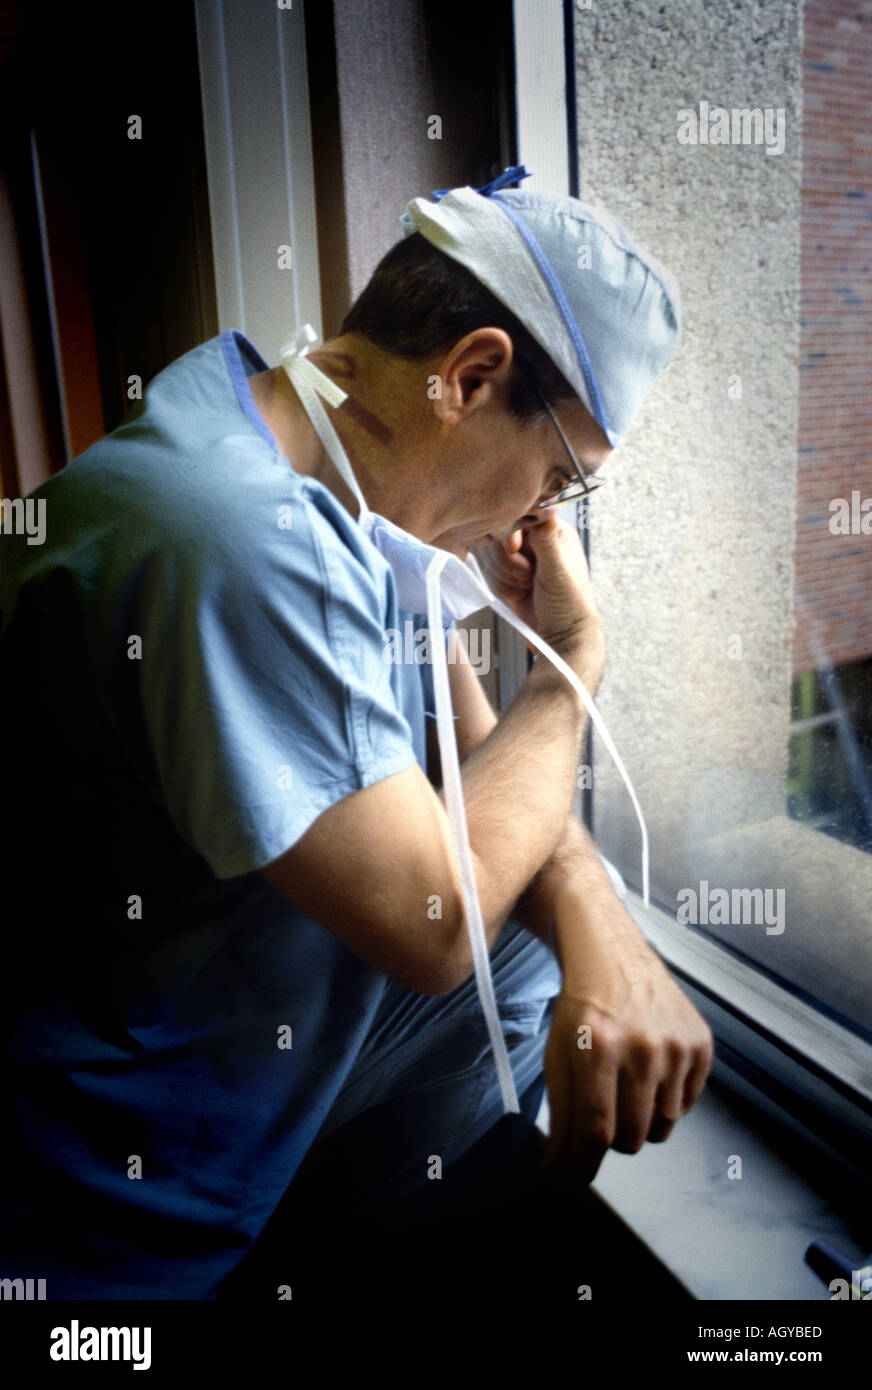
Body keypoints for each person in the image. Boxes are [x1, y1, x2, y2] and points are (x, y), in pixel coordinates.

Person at [0, 170, 713, 1301]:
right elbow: (441, 923)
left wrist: (604, 930)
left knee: (534, 937)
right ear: (471, 377)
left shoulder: (295, 451)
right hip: (90, 1205)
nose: (537, 519)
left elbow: (472, 778)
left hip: (211, 1035)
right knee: (486, 936)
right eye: (564, 478)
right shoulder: (233, 535)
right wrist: (571, 659)